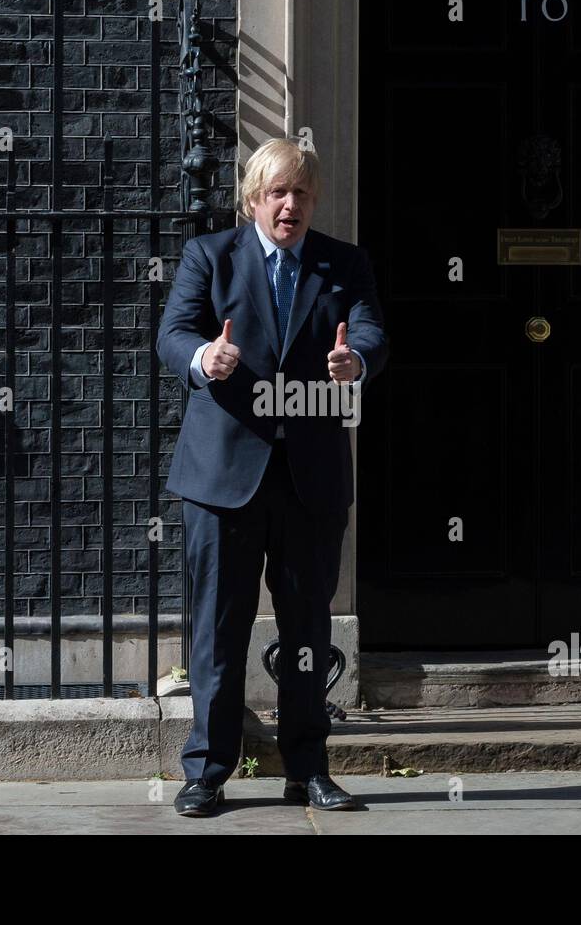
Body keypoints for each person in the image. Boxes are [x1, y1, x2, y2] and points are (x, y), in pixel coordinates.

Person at [157, 138, 388, 817]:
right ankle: (208, 769)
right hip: (223, 475)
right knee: (218, 629)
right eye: (278, 192)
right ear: (254, 197)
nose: (291, 205)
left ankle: (308, 768)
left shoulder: (343, 263)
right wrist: (207, 356)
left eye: (302, 194)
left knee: (309, 631)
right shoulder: (211, 256)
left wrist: (357, 362)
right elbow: (173, 332)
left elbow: (371, 329)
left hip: (309, 478)